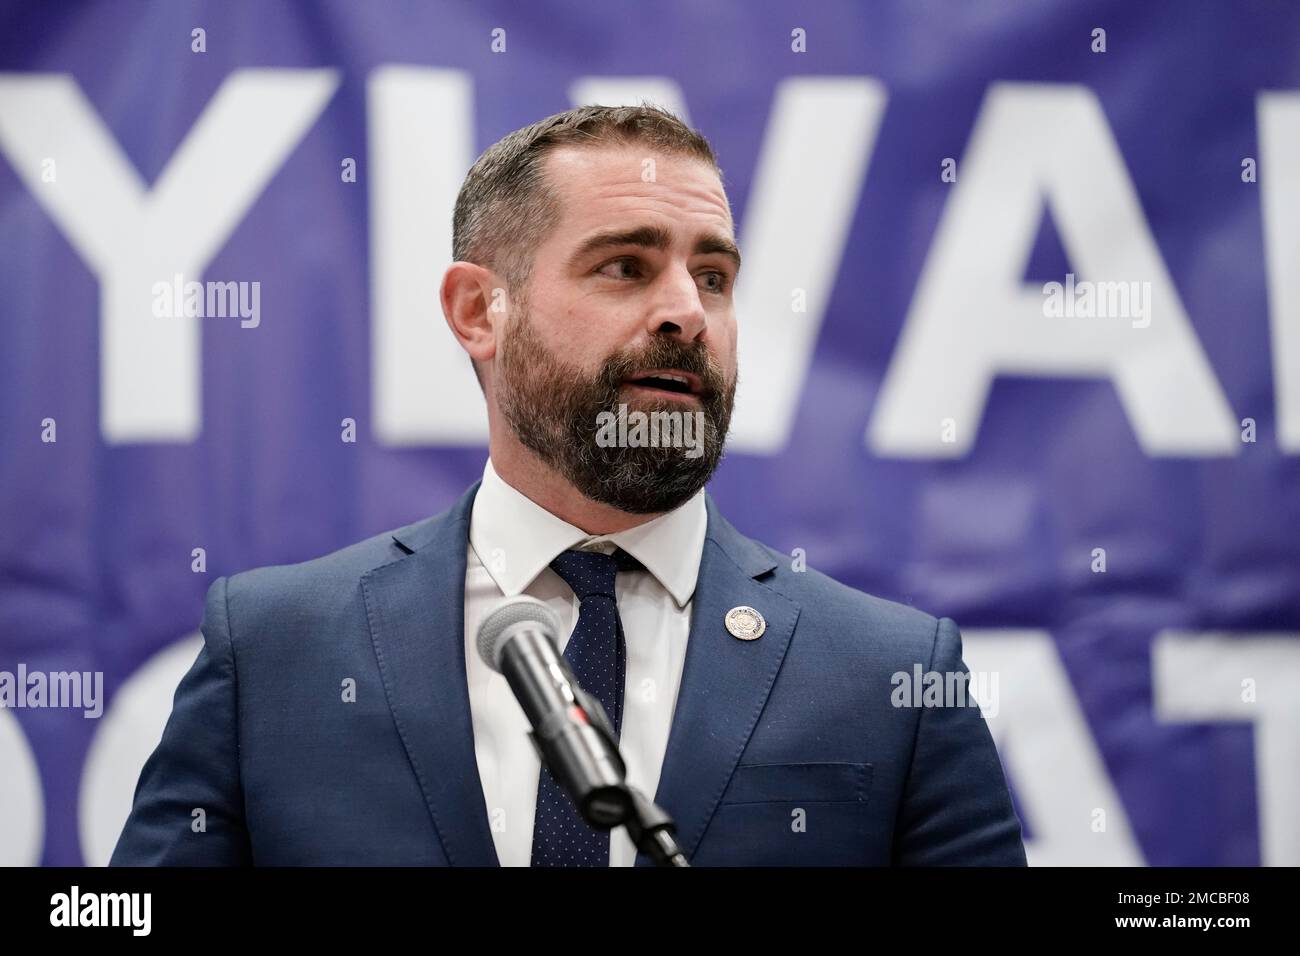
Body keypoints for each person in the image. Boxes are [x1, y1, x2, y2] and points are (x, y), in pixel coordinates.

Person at [111, 105, 1026, 866]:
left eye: (713, 276)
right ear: (480, 311)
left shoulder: (889, 674)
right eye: (625, 266)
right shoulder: (275, 650)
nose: (685, 313)